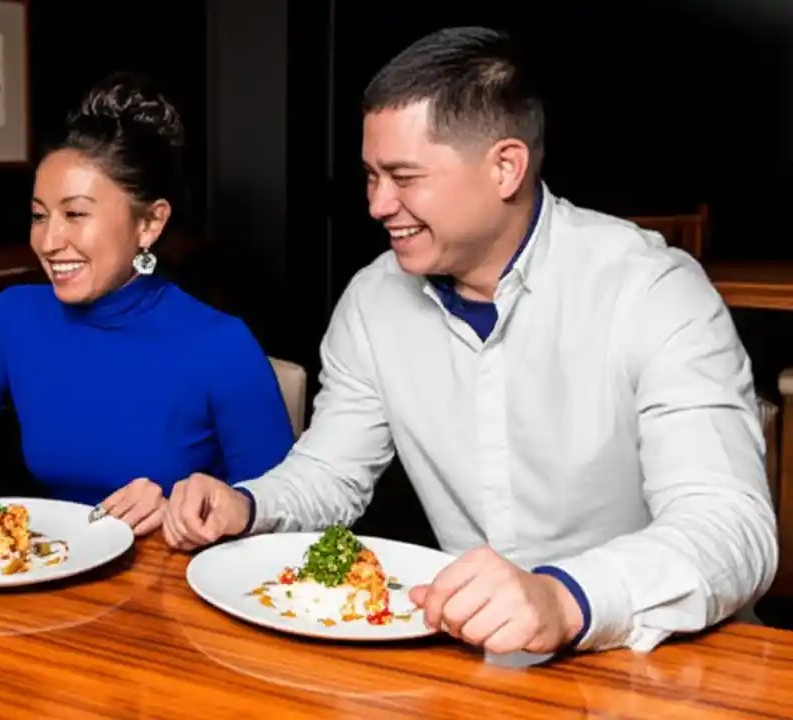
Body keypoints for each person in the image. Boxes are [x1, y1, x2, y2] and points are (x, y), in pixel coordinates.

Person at [163, 27, 778, 656]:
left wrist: (564, 599)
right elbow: (331, 473)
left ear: (506, 167)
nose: (378, 204)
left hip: (664, 659)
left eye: (404, 176)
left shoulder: (652, 290)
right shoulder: (373, 299)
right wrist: (246, 506)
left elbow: (732, 528)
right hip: (478, 657)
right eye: (371, 176)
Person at [0, 73, 295, 549]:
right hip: (51, 574)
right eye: (40, 215)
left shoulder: (221, 346)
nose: (49, 240)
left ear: (149, 223)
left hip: (173, 590)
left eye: (75, 214)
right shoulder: (11, 319)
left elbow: (280, 519)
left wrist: (180, 515)